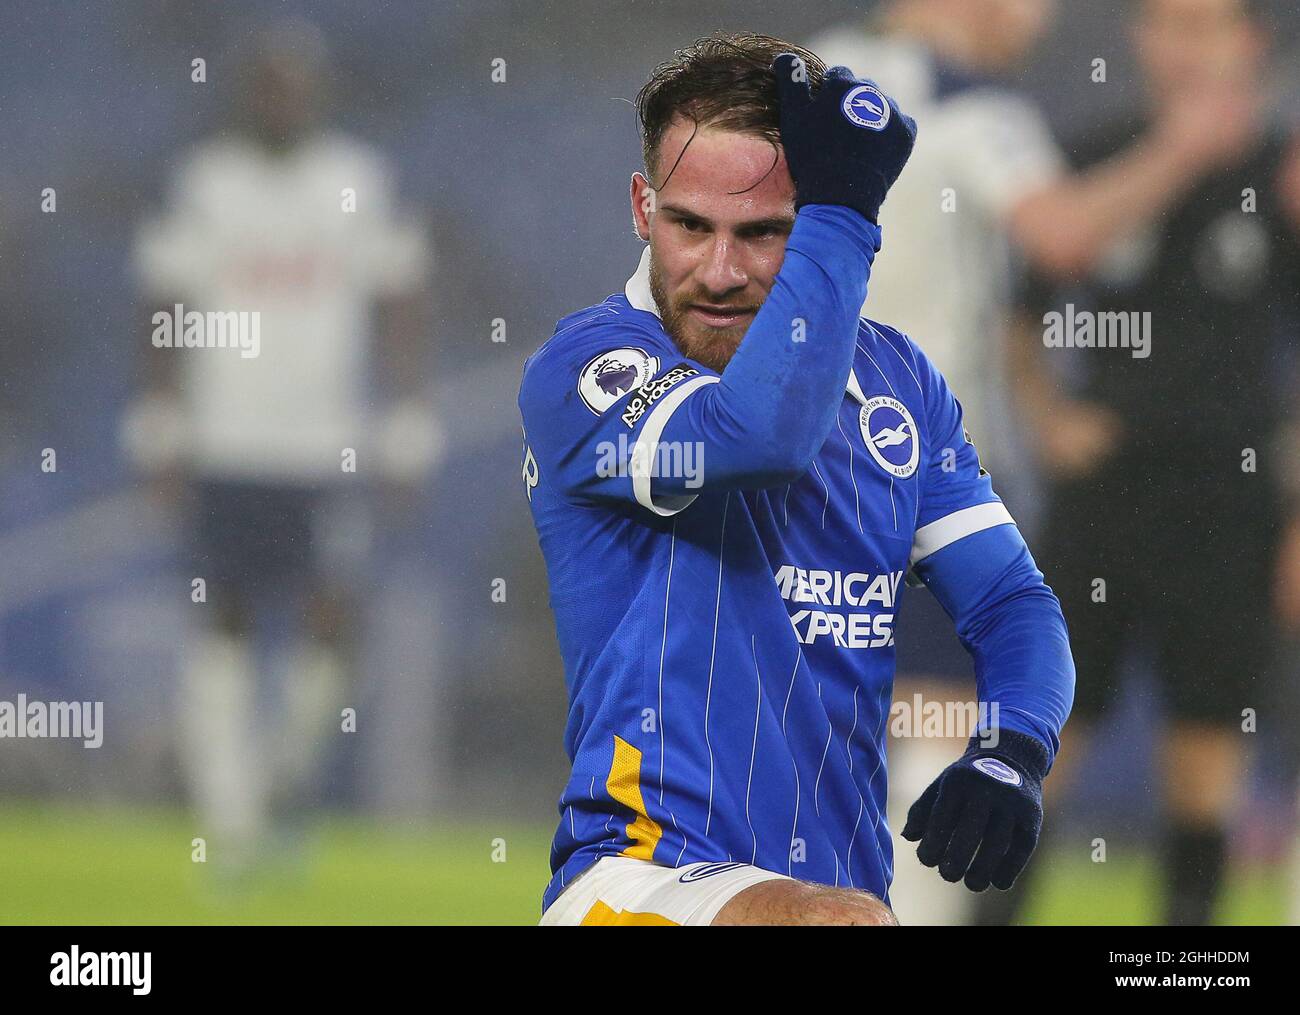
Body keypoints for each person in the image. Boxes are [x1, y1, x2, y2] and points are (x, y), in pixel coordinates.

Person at [519, 32, 1074, 926]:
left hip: (834, 896)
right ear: (640, 207)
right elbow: (757, 438)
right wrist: (847, 216)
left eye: (765, 231)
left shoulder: (898, 385)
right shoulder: (591, 369)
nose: (720, 270)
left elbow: (1012, 600)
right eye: (690, 225)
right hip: (641, 879)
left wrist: (1012, 746)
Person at [1009, 0, 1300, 925]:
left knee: (1205, 755)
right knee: (1040, 740)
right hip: (1102, 492)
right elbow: (1029, 292)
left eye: (1204, 26)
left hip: (1230, 494)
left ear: (1251, 43)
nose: (1179, 46)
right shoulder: (1099, 149)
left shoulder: (1281, 174)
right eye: (1163, 24)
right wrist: (1045, 414)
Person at [126, 22, 433, 878]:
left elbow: (398, 295)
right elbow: (162, 303)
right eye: (265, 85)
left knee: (335, 619)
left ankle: (276, 784)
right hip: (227, 438)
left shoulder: (358, 180)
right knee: (221, 617)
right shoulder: (203, 183)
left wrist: (402, 418)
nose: (279, 100)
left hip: (323, 444)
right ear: (243, 93)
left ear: (317, 92)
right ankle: (230, 826)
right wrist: (160, 422)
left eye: (292, 85)